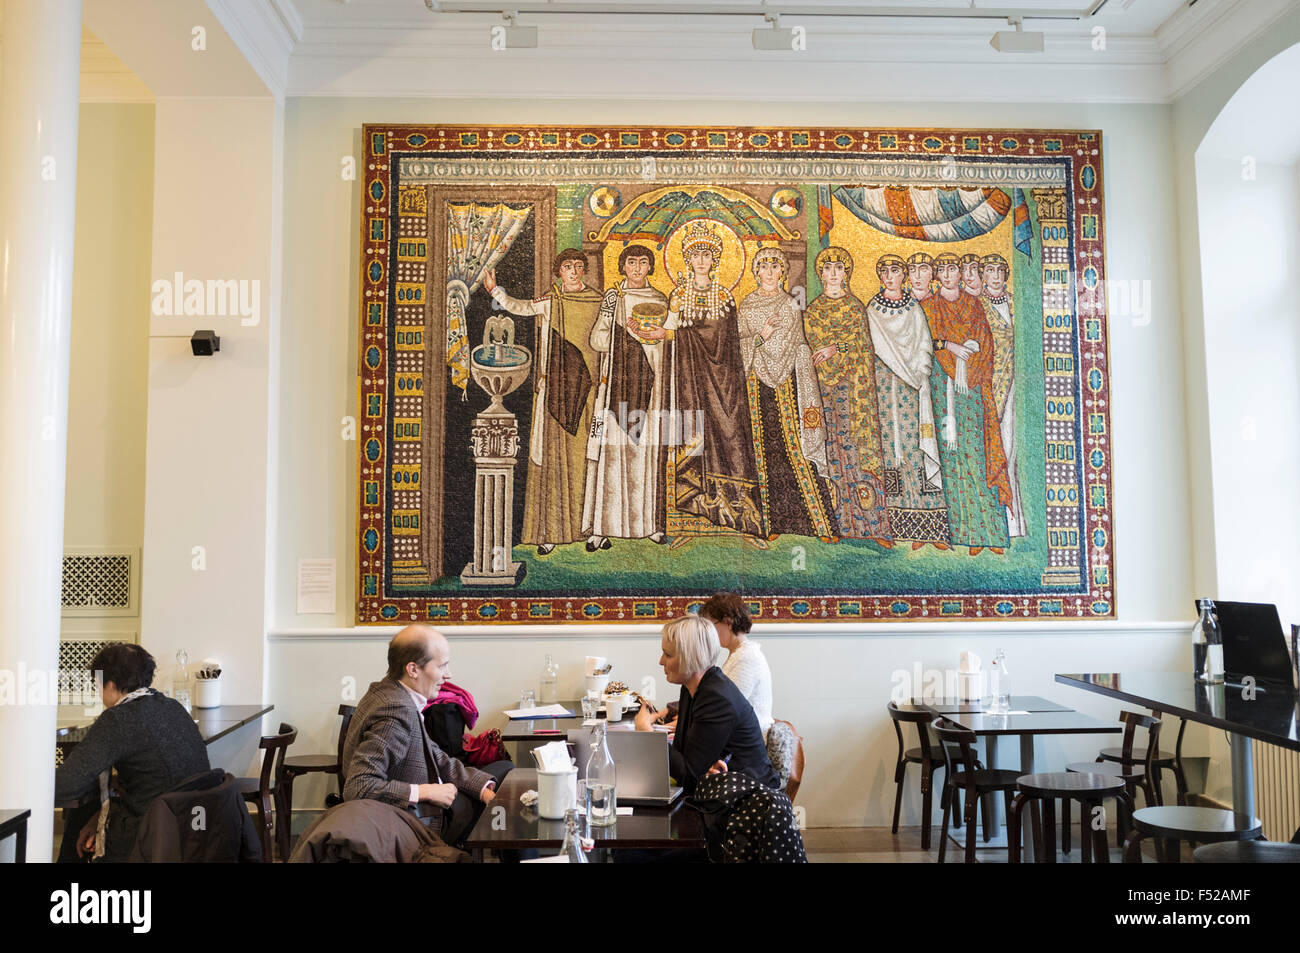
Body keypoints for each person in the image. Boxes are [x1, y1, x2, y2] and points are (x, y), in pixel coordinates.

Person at [639, 220, 765, 546]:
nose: (700, 261)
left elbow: (725, 341)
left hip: (723, 386)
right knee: (692, 439)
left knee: (730, 439)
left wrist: (673, 334)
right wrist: (660, 334)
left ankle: (737, 513)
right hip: (689, 384)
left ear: (715, 260)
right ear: (686, 259)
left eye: (706, 255)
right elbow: (672, 334)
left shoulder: (724, 297)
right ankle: (693, 512)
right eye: (695, 255)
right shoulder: (678, 296)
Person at [486, 250, 603, 555]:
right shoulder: (551, 300)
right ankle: (552, 531)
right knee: (552, 462)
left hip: (588, 392)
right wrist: (494, 291)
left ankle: (591, 528)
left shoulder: (599, 301)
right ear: (558, 272)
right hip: (555, 390)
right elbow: (520, 307)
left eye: (579, 267)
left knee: (589, 461)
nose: (574, 272)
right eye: (567, 267)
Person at [342, 625, 503, 848]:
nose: (448, 675)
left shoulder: (387, 692)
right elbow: (358, 787)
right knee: (506, 776)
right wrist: (425, 791)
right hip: (418, 824)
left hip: (419, 810)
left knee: (499, 779)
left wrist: (481, 787)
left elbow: (434, 754)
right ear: (413, 670)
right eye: (442, 666)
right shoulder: (395, 713)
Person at [55, 643, 209, 862]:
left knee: (81, 813)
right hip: (195, 826)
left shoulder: (118, 718)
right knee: (91, 809)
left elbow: (68, 784)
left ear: (109, 683)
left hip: (153, 832)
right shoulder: (172, 707)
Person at [736, 247, 838, 541]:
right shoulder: (746, 306)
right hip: (757, 390)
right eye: (763, 267)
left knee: (796, 448)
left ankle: (814, 524)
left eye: (775, 266)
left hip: (789, 386)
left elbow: (790, 345)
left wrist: (764, 342)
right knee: (764, 453)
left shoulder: (791, 304)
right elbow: (739, 346)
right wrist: (760, 337)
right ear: (756, 272)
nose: (769, 272)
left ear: (783, 272)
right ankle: (770, 524)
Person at [581, 243, 671, 551]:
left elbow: (665, 344)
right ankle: (601, 528)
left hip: (650, 387)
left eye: (642, 262)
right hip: (616, 385)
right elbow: (597, 339)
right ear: (622, 266)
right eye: (631, 262)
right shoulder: (613, 298)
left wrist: (654, 337)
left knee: (644, 455)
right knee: (611, 455)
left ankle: (649, 526)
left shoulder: (660, 300)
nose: (636, 268)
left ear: (650, 267)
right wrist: (628, 335)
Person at [804, 245, 892, 544]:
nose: (832, 274)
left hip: (854, 392)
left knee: (855, 452)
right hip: (826, 391)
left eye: (838, 268)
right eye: (827, 268)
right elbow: (816, 349)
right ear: (821, 273)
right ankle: (836, 525)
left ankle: (873, 527)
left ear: (846, 273)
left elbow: (863, 347)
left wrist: (836, 349)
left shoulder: (856, 308)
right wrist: (837, 349)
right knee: (831, 454)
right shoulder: (814, 310)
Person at [634, 615, 778, 794]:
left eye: (668, 654)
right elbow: (684, 758)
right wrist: (696, 769)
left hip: (747, 797)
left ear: (691, 657)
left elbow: (688, 777)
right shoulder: (692, 687)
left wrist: (648, 735)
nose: (661, 661)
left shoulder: (716, 698)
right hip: (723, 789)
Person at [926, 252, 1011, 554]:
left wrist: (970, 359)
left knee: (978, 456)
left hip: (971, 389)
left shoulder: (974, 304)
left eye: (952, 268)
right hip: (943, 388)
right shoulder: (931, 306)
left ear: (960, 274)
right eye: (942, 269)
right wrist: (949, 346)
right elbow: (928, 342)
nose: (948, 274)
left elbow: (986, 343)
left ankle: (992, 534)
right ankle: (966, 534)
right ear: (936, 276)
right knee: (953, 459)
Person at [866, 253, 951, 550]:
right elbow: (870, 345)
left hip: (911, 386)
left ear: (903, 275)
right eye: (884, 271)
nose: (889, 276)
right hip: (882, 386)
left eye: (894, 271)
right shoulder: (873, 309)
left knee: (916, 449)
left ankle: (928, 527)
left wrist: (919, 372)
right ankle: (896, 524)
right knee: (891, 452)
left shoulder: (914, 309)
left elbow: (924, 344)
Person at [980, 253, 1025, 537]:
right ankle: (997, 522)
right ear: (982, 275)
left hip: (1015, 387)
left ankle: (1015, 522)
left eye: (1000, 270)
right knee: (996, 451)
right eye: (990, 271)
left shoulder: (1014, 302)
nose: (996, 276)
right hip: (991, 387)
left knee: (1014, 452)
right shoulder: (977, 305)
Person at [699, 592, 773, 737]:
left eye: (710, 625)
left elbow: (725, 708)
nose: (709, 632)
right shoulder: (740, 654)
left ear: (728, 622)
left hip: (749, 741)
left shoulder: (747, 657)